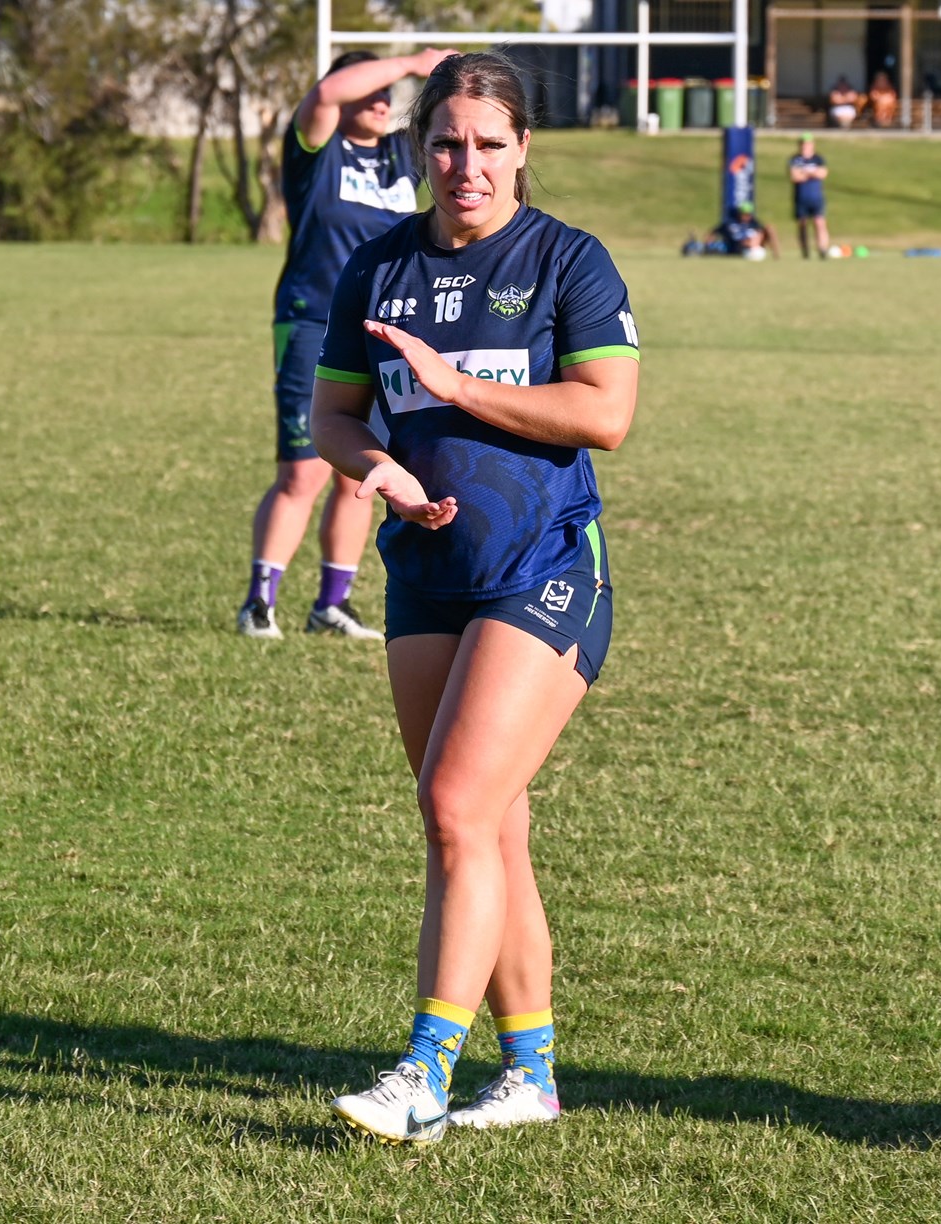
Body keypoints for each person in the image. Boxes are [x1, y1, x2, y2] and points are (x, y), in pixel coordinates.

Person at [310, 51, 640, 1143]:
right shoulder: (379, 269)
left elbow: (605, 414)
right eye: (446, 142)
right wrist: (378, 467)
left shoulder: (567, 262)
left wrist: (456, 385)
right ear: (420, 148)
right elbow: (335, 418)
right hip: (428, 579)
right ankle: (532, 1075)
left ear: (523, 149)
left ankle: (424, 1071)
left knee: (453, 807)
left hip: (546, 569)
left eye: (489, 144)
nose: (467, 165)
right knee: (486, 827)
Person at [237, 46, 457, 640]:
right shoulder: (318, 151)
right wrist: (414, 59)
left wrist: (445, 74)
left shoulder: (400, 157)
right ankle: (260, 603)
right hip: (311, 324)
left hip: (381, 331)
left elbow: (445, 124)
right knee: (302, 471)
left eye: (390, 91)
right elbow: (327, 96)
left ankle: (331, 605)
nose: (384, 98)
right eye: (371, 86)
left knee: (363, 470)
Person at [788, 132, 830, 259]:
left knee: (819, 222)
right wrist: (811, 173)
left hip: (816, 197)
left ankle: (822, 249)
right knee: (802, 224)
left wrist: (805, 172)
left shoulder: (818, 159)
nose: (805, 146)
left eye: (807, 143)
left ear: (812, 144)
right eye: (803, 143)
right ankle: (805, 251)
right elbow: (795, 176)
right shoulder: (795, 159)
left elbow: (822, 174)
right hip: (801, 197)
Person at [704, 200, 780, 259]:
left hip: (754, 248)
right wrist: (707, 246)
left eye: (748, 214)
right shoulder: (729, 223)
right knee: (749, 241)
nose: (746, 216)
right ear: (739, 213)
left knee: (769, 228)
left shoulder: (754, 223)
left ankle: (776, 254)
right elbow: (713, 232)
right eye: (744, 214)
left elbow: (766, 232)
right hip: (738, 249)